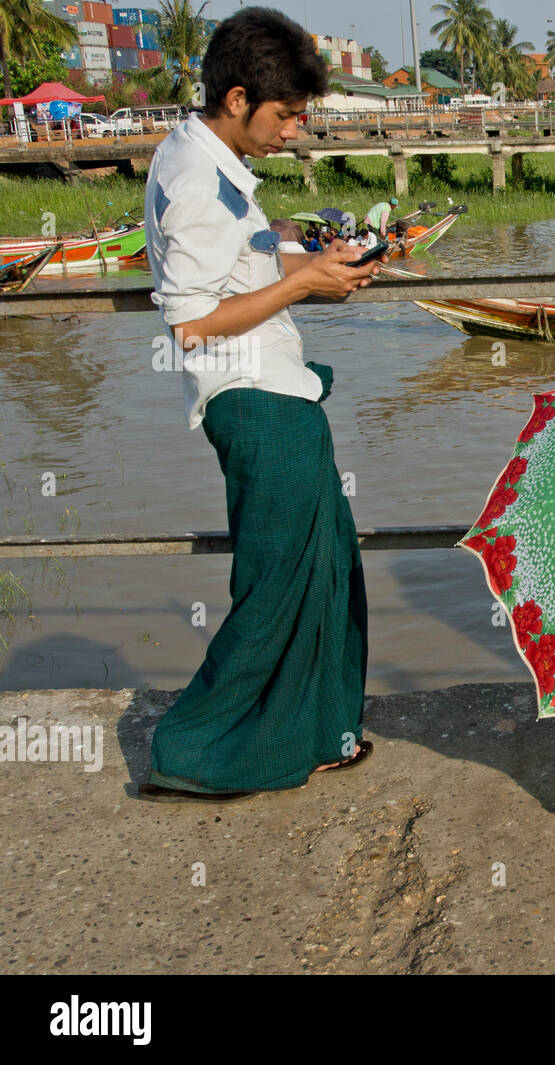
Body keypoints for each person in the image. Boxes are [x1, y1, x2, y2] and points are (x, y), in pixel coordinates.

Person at [138, 7, 383, 802]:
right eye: (285, 116)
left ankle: (315, 735)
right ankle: (196, 748)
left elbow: (237, 258)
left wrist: (307, 258)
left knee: (323, 569)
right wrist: (304, 284)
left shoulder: (203, 157)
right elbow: (194, 324)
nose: (293, 133)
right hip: (253, 404)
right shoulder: (195, 182)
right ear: (239, 98)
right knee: (278, 583)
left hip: (281, 392)